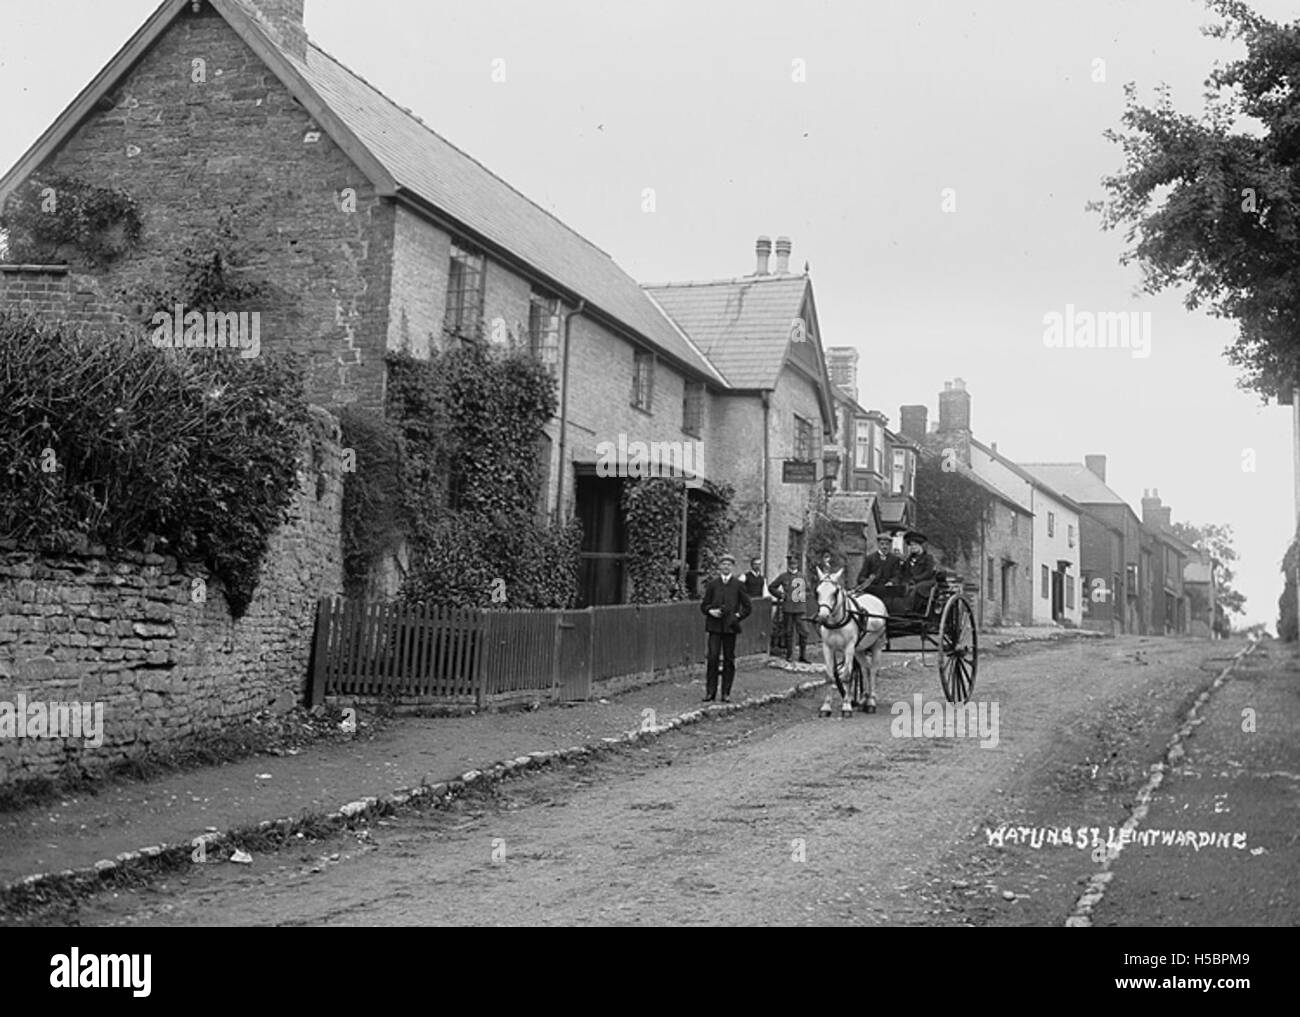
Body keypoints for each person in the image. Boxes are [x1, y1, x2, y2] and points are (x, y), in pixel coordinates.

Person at [699, 553, 752, 702]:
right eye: (723, 564)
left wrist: (737, 616)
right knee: (713, 658)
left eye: (729, 564)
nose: (726, 567)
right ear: (719, 567)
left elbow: (747, 607)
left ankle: (726, 692)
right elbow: (704, 606)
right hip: (714, 627)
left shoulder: (738, 585)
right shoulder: (713, 584)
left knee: (729, 659)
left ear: (732, 567)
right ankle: (710, 692)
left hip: (730, 628)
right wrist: (711, 611)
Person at [768, 554, 810, 663]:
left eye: (795, 564)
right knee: (789, 632)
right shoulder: (783, 576)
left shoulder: (802, 576)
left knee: (804, 632)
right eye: (791, 564)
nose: (793, 566)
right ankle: (789, 654)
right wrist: (781, 595)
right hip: (788, 608)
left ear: (798, 565)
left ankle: (803, 655)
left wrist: (803, 595)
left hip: (800, 608)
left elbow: (809, 589)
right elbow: (771, 587)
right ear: (788, 565)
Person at [897, 530, 938, 615]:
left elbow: (928, 573)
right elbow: (904, 572)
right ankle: (897, 610)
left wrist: (915, 579)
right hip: (912, 581)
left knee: (916, 588)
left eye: (915, 545)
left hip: (927, 582)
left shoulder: (928, 558)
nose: (913, 547)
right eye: (911, 545)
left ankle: (910, 610)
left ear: (921, 546)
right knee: (901, 588)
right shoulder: (909, 559)